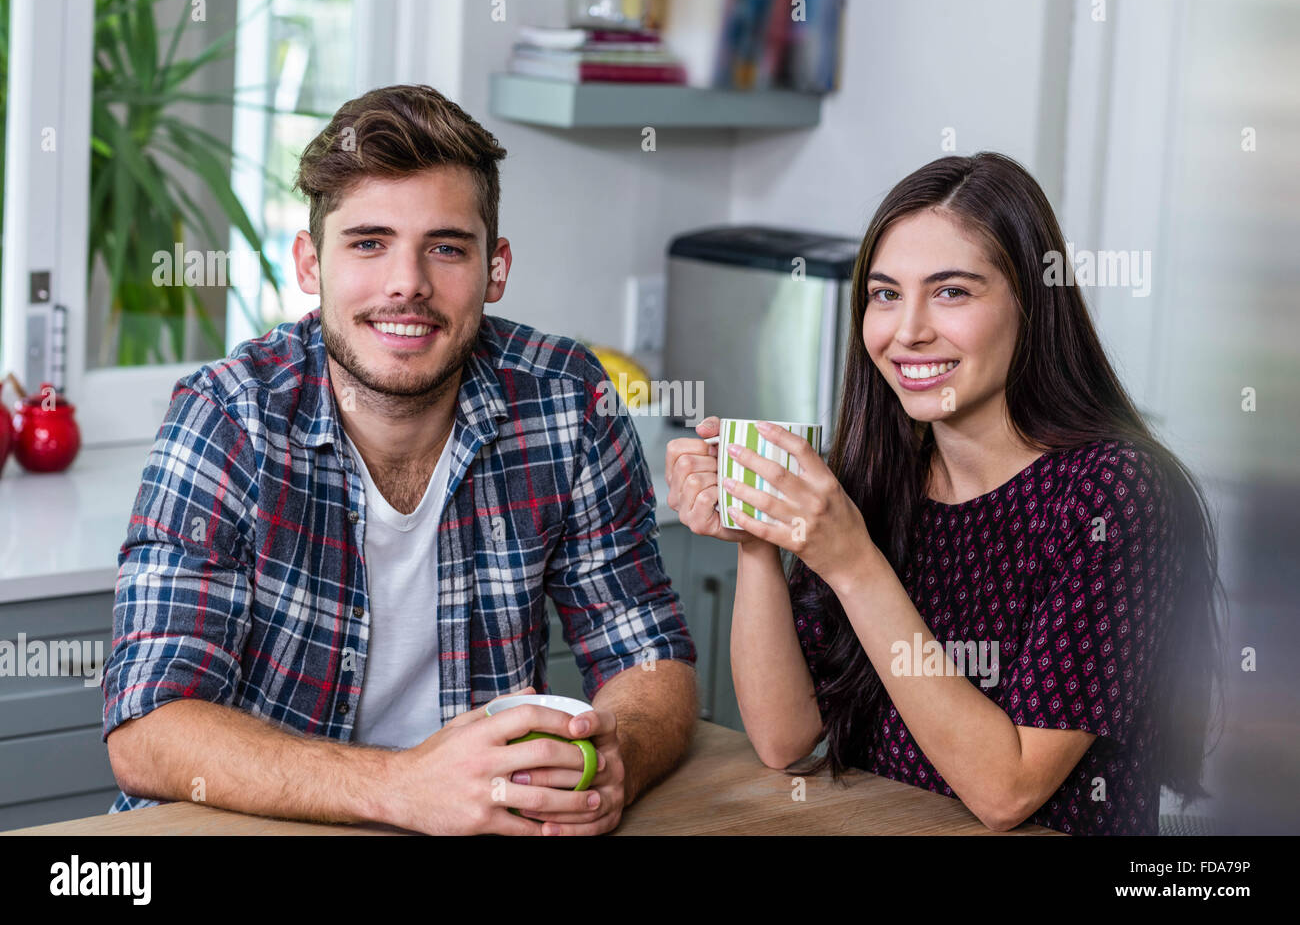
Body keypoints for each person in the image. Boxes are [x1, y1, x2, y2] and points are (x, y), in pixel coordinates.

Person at [102, 83, 697, 836]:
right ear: (310, 265)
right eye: (368, 242)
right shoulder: (227, 418)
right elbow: (148, 729)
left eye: (446, 248)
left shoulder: (568, 400)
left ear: (496, 267)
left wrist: (621, 762)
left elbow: (649, 653)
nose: (406, 284)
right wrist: (403, 787)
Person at [665, 152, 1224, 835]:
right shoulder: (877, 474)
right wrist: (760, 538)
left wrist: (853, 562)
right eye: (885, 294)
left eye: (953, 292)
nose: (908, 331)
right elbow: (784, 738)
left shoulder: (1116, 495)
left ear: (1031, 303)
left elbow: (1006, 791)